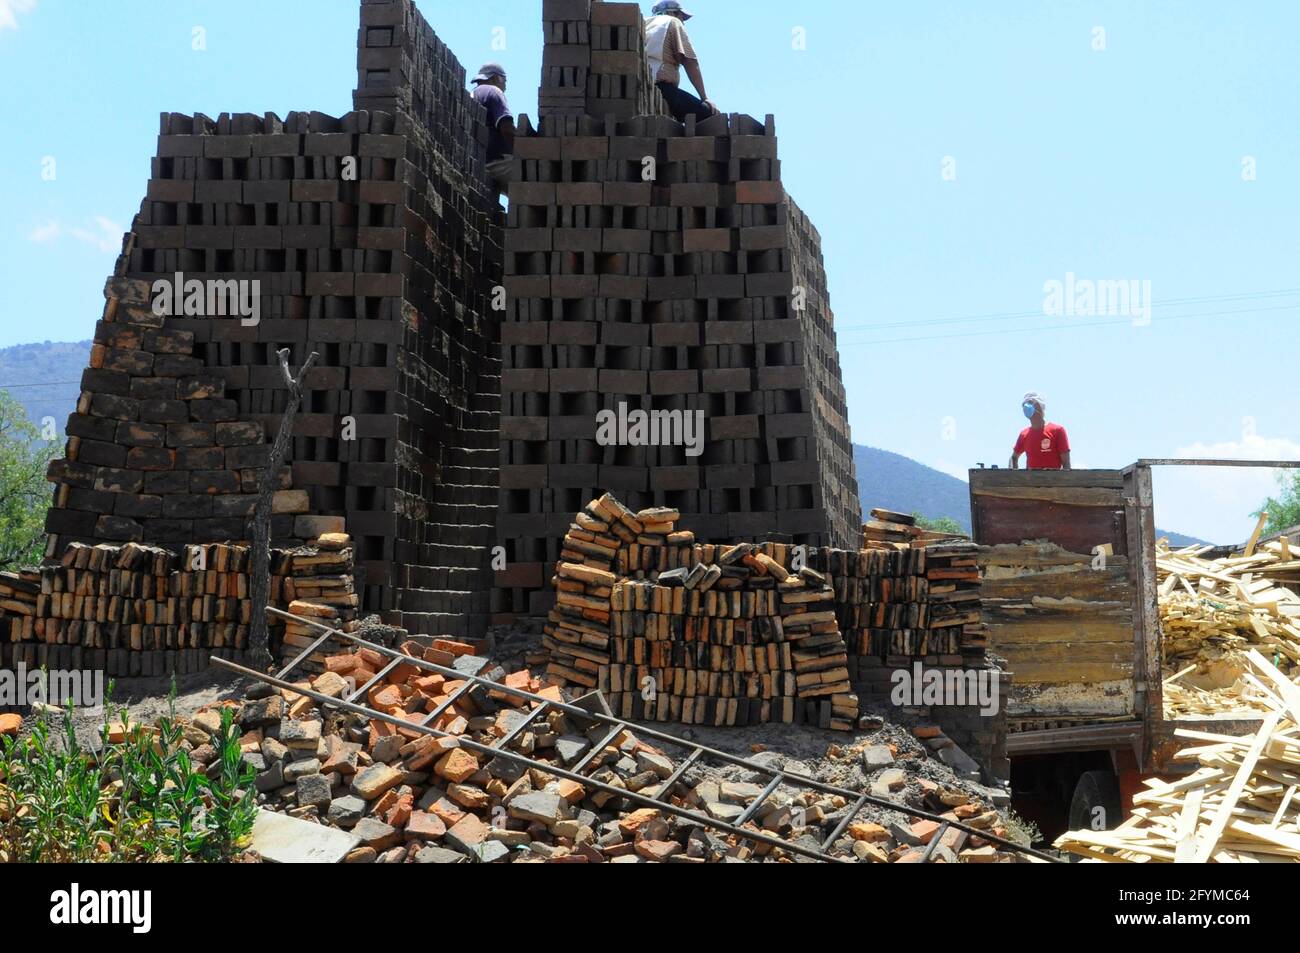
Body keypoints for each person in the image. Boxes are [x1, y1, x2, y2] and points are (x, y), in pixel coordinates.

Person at [645, 1, 717, 123]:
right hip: (662, 90)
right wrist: (705, 98)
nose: (683, 22)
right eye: (682, 17)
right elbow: (689, 62)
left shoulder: (645, 23)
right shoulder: (672, 22)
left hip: (643, 88)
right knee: (708, 114)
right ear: (672, 12)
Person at [1009, 392, 1072, 470]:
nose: (1027, 406)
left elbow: (1066, 463)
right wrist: (1013, 476)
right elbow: (1014, 457)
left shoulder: (1057, 430)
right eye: (1024, 404)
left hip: (1053, 481)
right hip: (1030, 481)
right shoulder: (1024, 434)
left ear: (1040, 406)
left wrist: (1064, 480)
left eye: (1030, 402)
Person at [470, 62, 516, 164]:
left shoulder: (472, 94)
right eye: (505, 81)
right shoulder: (493, 91)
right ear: (495, 78)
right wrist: (525, 151)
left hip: (475, 160)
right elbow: (507, 127)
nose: (505, 86)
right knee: (526, 174)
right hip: (493, 162)